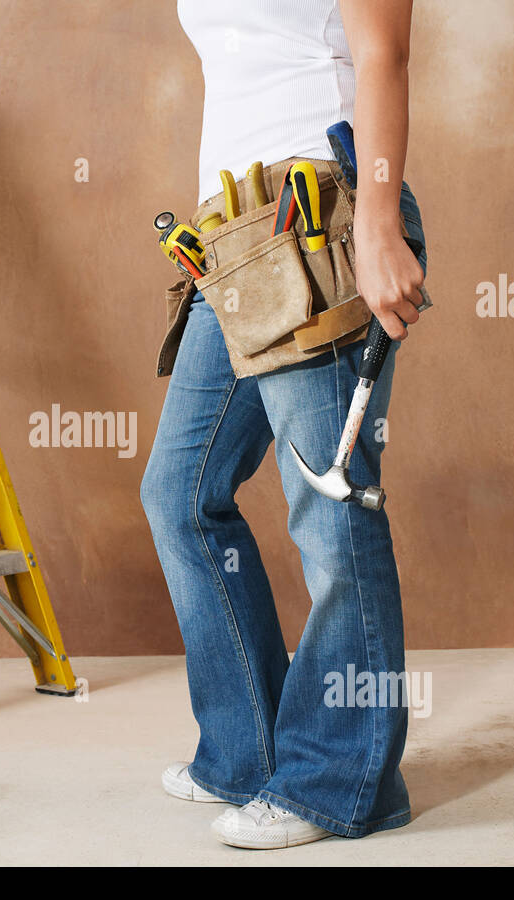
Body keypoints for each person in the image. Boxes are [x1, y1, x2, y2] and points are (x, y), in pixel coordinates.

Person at [142, 0, 429, 849]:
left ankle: (343, 781)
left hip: (320, 215)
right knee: (181, 496)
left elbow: (384, 53)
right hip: (234, 237)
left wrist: (376, 225)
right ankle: (250, 750)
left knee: (329, 503)